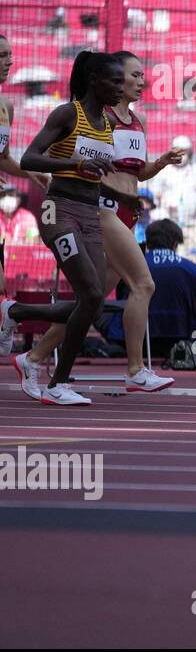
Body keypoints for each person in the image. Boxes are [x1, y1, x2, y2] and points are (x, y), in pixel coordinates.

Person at [17, 50, 184, 395]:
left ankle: (33, 357)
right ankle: (135, 369)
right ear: (110, 78)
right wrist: (91, 181)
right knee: (142, 284)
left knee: (91, 299)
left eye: (140, 76)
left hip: (124, 212)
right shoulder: (92, 115)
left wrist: (161, 164)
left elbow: (135, 173)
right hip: (97, 210)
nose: (140, 82)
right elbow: (72, 165)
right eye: (132, 75)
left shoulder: (134, 122)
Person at [0, 52, 121, 405]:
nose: (119, 88)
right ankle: (57, 384)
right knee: (91, 296)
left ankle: (15, 313)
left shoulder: (110, 123)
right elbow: (29, 158)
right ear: (94, 80)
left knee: (93, 302)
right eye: (113, 81)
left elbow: (94, 176)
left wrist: (124, 198)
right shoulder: (68, 113)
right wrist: (76, 161)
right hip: (59, 212)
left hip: (89, 212)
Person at [93, 219, 196, 367]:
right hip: (184, 341)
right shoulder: (192, 269)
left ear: (148, 242)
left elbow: (123, 305)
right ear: (176, 244)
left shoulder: (130, 264)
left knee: (96, 307)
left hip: (137, 342)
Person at [0, 33, 52, 299]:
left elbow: (4, 158)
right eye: (2, 56)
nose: (9, 61)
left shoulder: (7, 106)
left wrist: (34, 174)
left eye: (10, 55)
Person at [150, 134, 196, 233]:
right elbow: (154, 196)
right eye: (178, 150)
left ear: (190, 151)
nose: (182, 154)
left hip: (194, 226)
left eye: (184, 151)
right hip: (168, 225)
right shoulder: (163, 171)